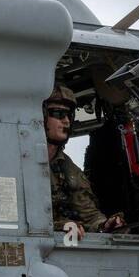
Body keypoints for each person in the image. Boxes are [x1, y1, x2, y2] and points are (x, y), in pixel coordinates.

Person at [45, 85, 124, 239]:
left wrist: (104, 224)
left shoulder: (68, 168)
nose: (66, 121)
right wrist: (57, 227)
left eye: (69, 115)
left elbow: (88, 213)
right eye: (59, 114)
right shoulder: (16, 163)